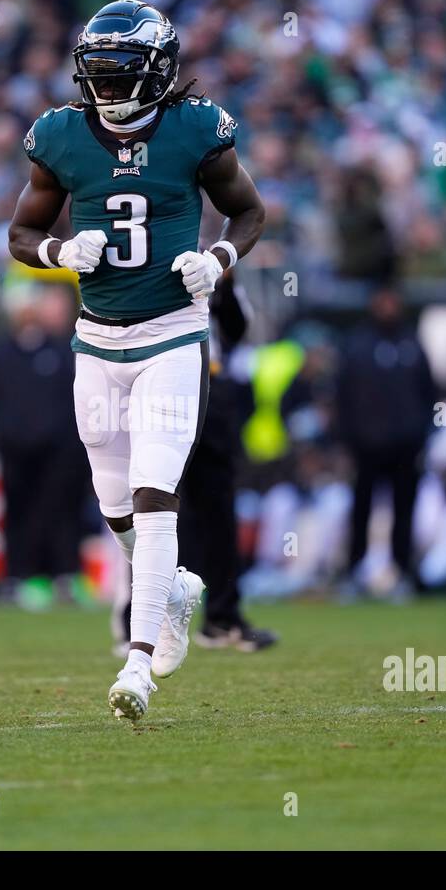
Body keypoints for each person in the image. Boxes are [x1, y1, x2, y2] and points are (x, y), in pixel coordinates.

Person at [8, 0, 265, 721]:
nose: (110, 91)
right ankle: (177, 588)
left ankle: (139, 665)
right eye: (101, 76)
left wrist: (217, 257)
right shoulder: (60, 136)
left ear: (158, 73)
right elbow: (22, 232)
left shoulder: (195, 130)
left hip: (174, 332)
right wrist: (58, 252)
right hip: (97, 336)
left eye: (123, 76)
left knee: (156, 494)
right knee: (114, 500)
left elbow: (249, 212)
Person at [178, 267, 277, 651]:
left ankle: (221, 616)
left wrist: (227, 283)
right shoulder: (153, 253)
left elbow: (236, 329)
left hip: (211, 386)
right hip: (164, 386)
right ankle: (148, 618)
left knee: (219, 510)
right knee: (161, 508)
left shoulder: (207, 265)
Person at [0, 274, 88, 609]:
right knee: (20, 514)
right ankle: (20, 577)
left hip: (59, 453)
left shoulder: (60, 351)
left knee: (62, 513)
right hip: (16, 454)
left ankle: (65, 576)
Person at [336, 285, 435, 599]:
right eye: (384, 301)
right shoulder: (357, 345)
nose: (389, 307)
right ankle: (354, 573)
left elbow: (429, 393)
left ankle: (403, 572)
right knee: (361, 510)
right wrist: (347, 440)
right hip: (365, 446)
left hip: (406, 445)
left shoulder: (412, 343)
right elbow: (343, 397)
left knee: (404, 510)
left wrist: (422, 435)